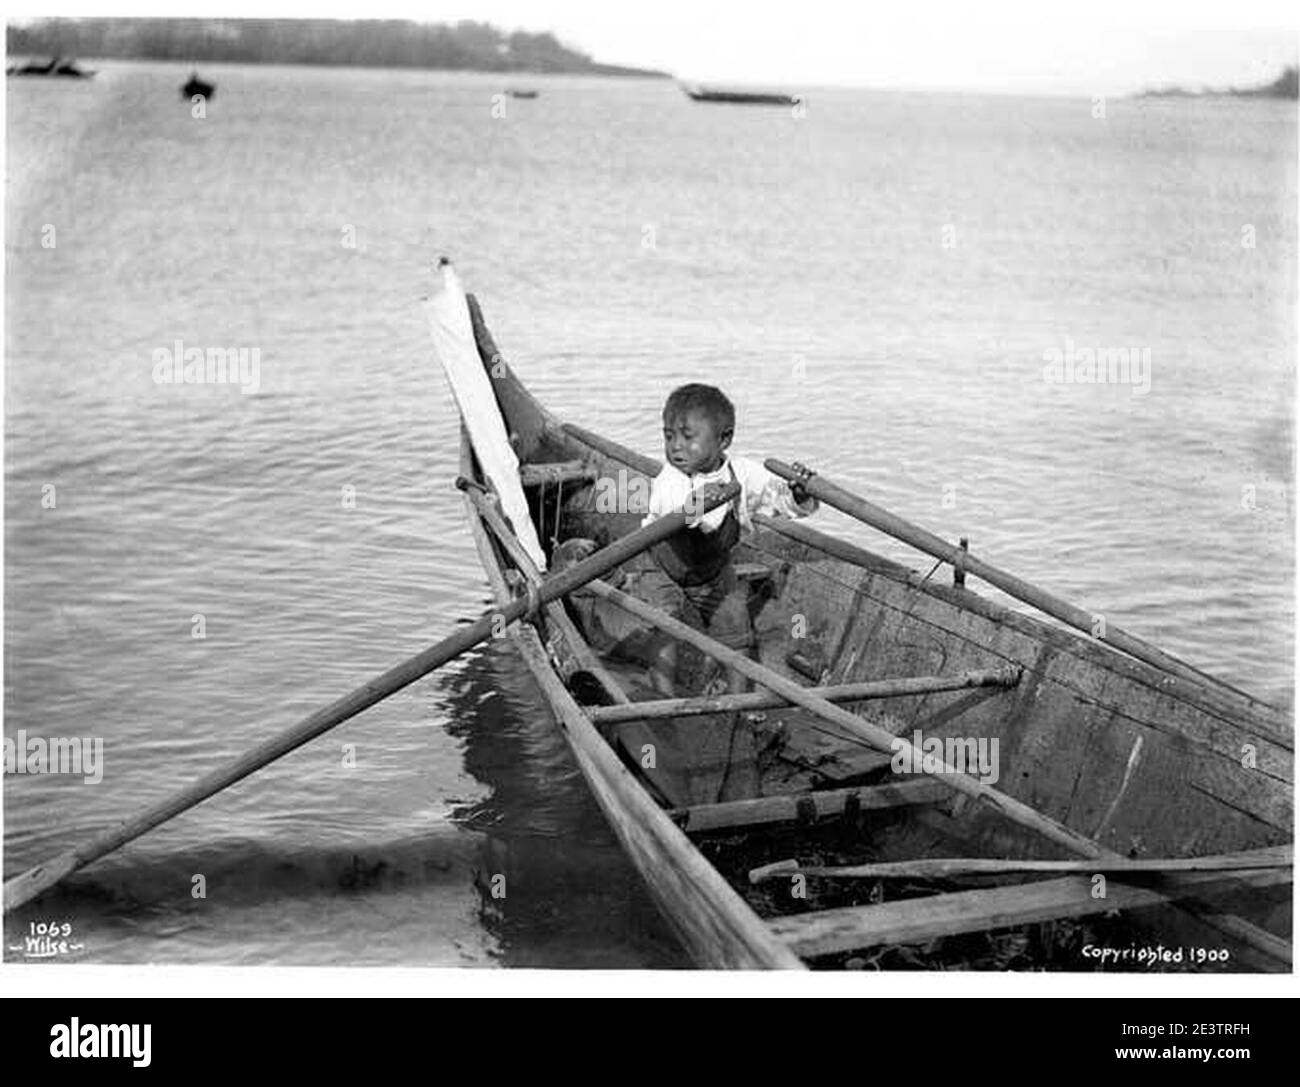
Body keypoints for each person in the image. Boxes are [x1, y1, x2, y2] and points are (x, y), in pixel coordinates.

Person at [631, 383, 817, 696]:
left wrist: (797, 493)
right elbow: (681, 512)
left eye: (688, 437)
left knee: (737, 634)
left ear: (724, 439)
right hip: (661, 568)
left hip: (712, 572)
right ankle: (663, 700)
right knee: (665, 624)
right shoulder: (670, 478)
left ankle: (738, 706)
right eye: (669, 436)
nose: (675, 447)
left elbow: (777, 498)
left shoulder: (742, 473)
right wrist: (703, 501)